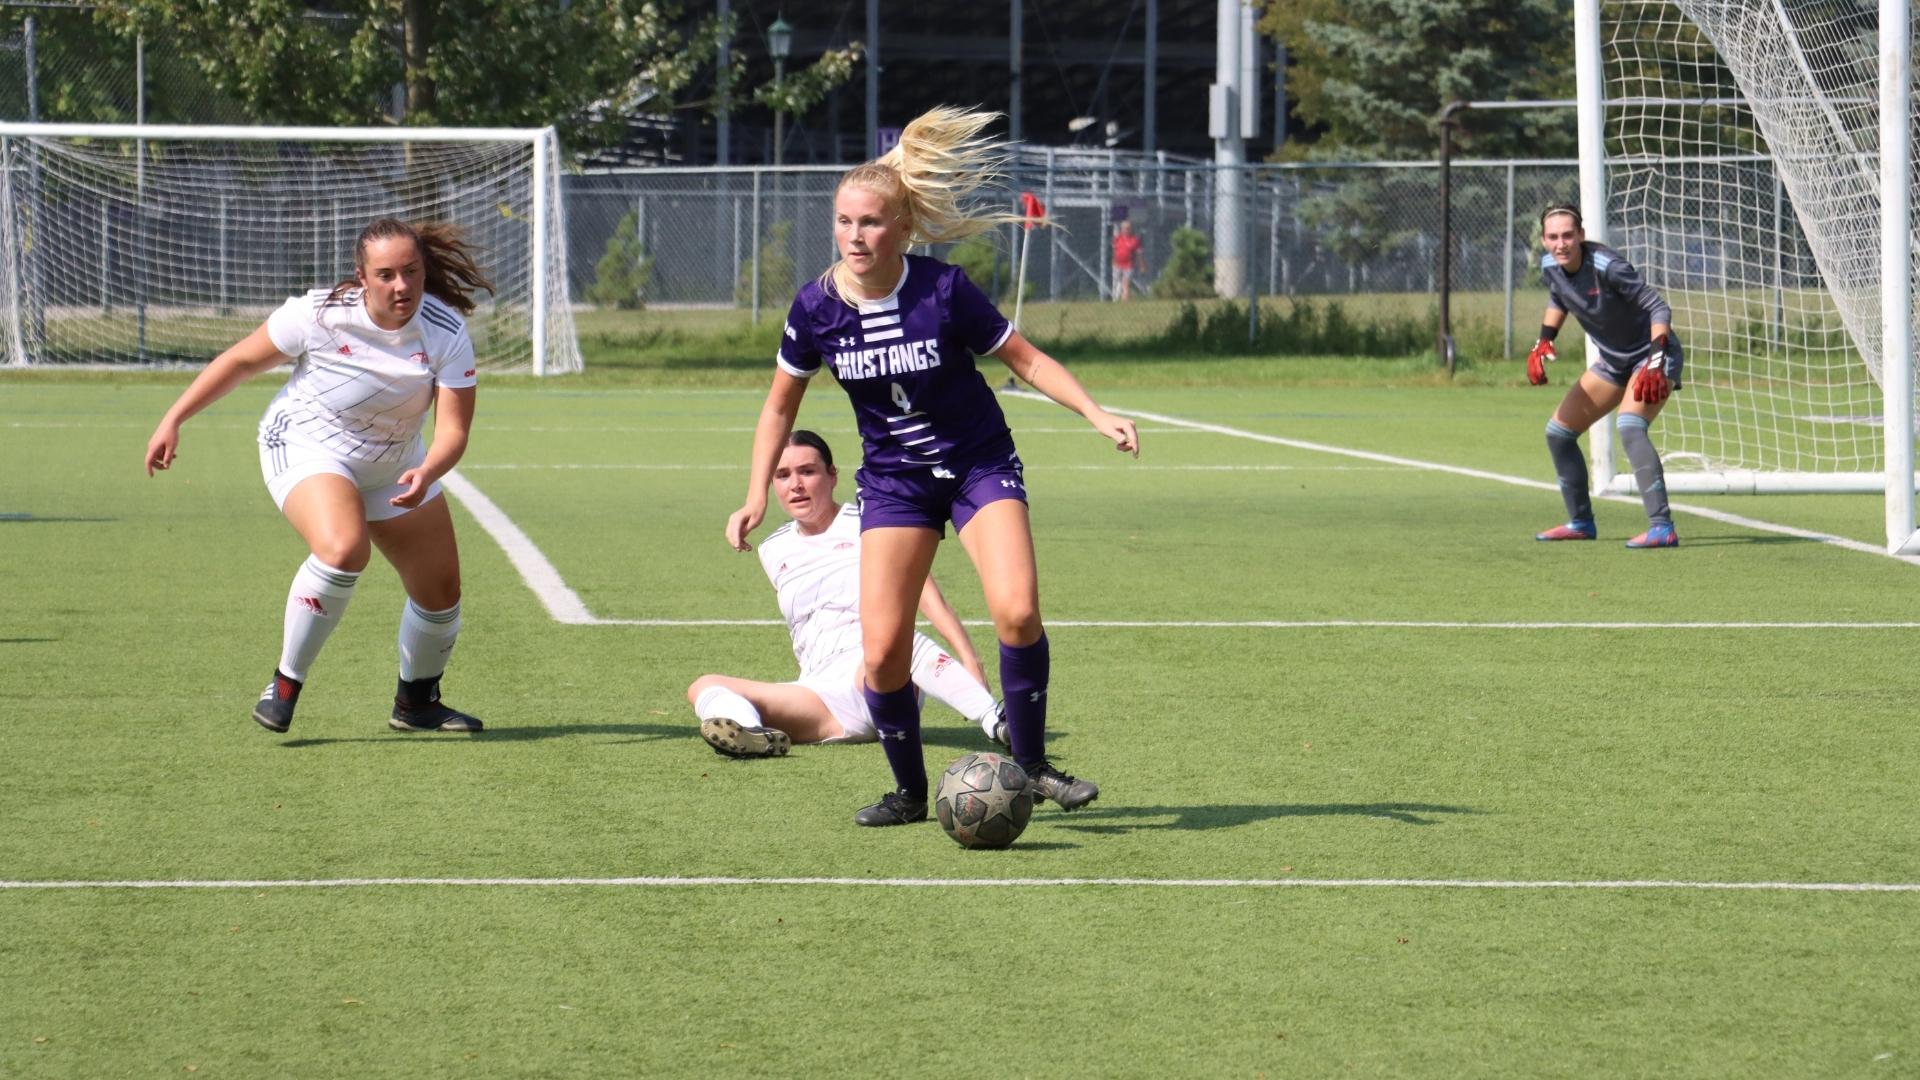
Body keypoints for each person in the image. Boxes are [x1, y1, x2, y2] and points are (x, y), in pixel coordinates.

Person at [725, 106, 1141, 828]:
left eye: (873, 223)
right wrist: (755, 491)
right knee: (883, 656)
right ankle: (911, 794)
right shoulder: (816, 308)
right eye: (845, 221)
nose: (856, 236)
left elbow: (1027, 359)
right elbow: (777, 408)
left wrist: (1096, 413)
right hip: (895, 485)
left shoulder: (943, 290)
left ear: (904, 229)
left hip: (979, 465)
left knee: (1016, 612)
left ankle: (1034, 764)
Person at [143, 217, 488, 734]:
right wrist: (174, 418)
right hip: (307, 446)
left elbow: (453, 432)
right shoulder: (318, 314)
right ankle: (285, 683)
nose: (402, 286)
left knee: (441, 591)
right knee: (345, 548)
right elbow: (239, 362)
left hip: (396, 466)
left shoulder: (446, 332)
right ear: (361, 276)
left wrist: (428, 470)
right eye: (387, 274)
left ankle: (416, 704)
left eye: (411, 272)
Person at [688, 431, 1006, 759]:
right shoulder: (772, 549)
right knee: (704, 686)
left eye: (807, 472)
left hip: (879, 675)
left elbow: (929, 597)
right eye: (782, 475)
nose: (795, 484)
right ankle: (752, 733)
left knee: (894, 640)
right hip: (820, 693)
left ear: (832, 475)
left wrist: (969, 659)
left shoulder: (874, 523)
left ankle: (994, 719)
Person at [1525, 203, 1684, 549]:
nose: (1561, 243)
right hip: (1614, 363)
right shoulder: (1551, 264)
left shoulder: (1608, 266)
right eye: (1553, 237)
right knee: (1558, 434)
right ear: (1544, 240)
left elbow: (1659, 307)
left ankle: (1662, 527)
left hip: (1653, 356)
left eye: (1568, 235)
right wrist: (1544, 341)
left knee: (1629, 426)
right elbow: (1558, 297)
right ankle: (1581, 522)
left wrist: (1656, 359)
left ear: (1581, 235)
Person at [1111, 218, 1144, 301]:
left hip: (1128, 266)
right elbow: (1115, 250)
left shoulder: (1134, 240)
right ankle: (1115, 299)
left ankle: (1124, 301)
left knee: (1125, 283)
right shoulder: (1117, 238)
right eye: (1124, 228)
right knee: (1115, 282)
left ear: (1130, 229)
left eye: (1128, 228)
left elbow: (1139, 254)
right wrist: (1113, 261)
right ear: (1121, 229)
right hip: (1117, 265)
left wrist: (1141, 265)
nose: (1126, 230)